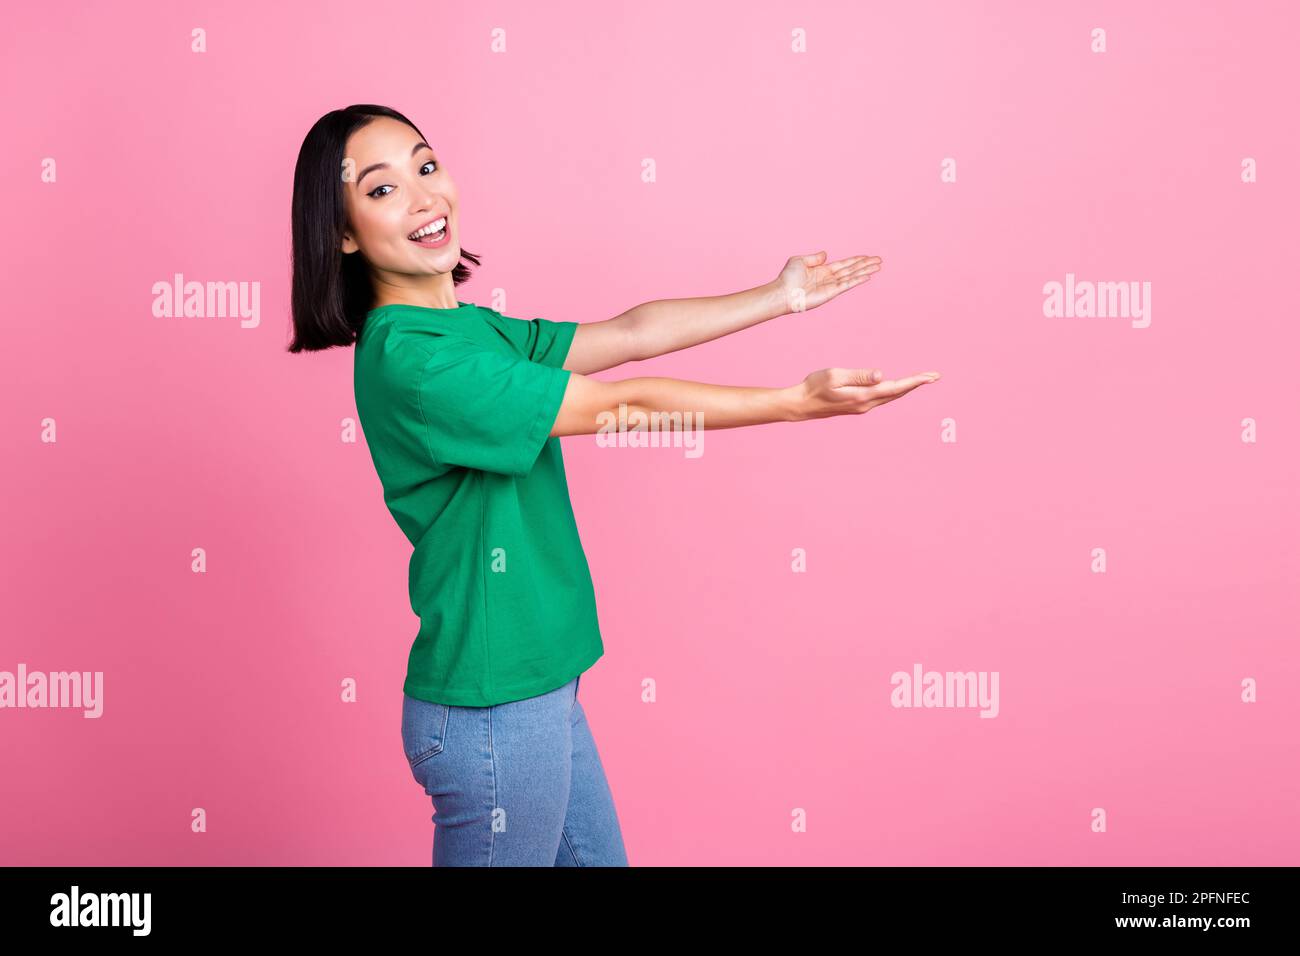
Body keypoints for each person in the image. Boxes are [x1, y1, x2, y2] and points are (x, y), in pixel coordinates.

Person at [287, 103, 941, 866]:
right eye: (381, 189)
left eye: (425, 167)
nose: (424, 196)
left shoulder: (470, 329)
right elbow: (622, 406)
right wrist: (793, 404)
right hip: (494, 709)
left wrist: (779, 296)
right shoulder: (418, 360)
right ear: (340, 233)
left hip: (540, 689)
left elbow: (628, 334)